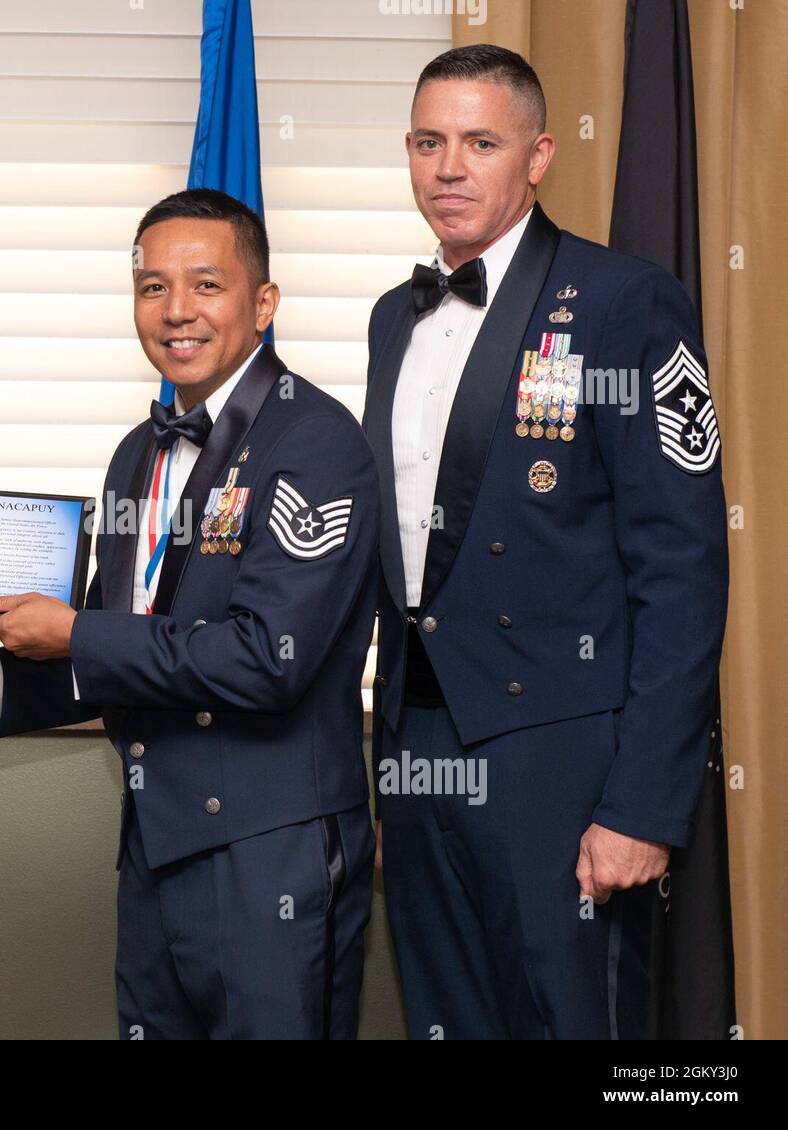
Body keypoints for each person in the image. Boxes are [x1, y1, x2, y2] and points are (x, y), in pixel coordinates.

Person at [0, 189, 381, 1039]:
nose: (176, 311)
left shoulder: (317, 441)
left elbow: (265, 660)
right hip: (154, 842)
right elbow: (121, 645)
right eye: (151, 287)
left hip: (269, 853)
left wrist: (73, 632)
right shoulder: (135, 454)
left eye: (206, 285)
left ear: (264, 303)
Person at [363, 44, 728, 1039]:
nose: (450, 167)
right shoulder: (391, 317)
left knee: (576, 1026)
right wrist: (390, 774)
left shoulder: (624, 302)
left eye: (481, 141)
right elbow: (397, 562)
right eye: (429, 141)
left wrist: (645, 804)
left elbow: (683, 569)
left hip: (564, 756)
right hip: (422, 747)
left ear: (537, 156)